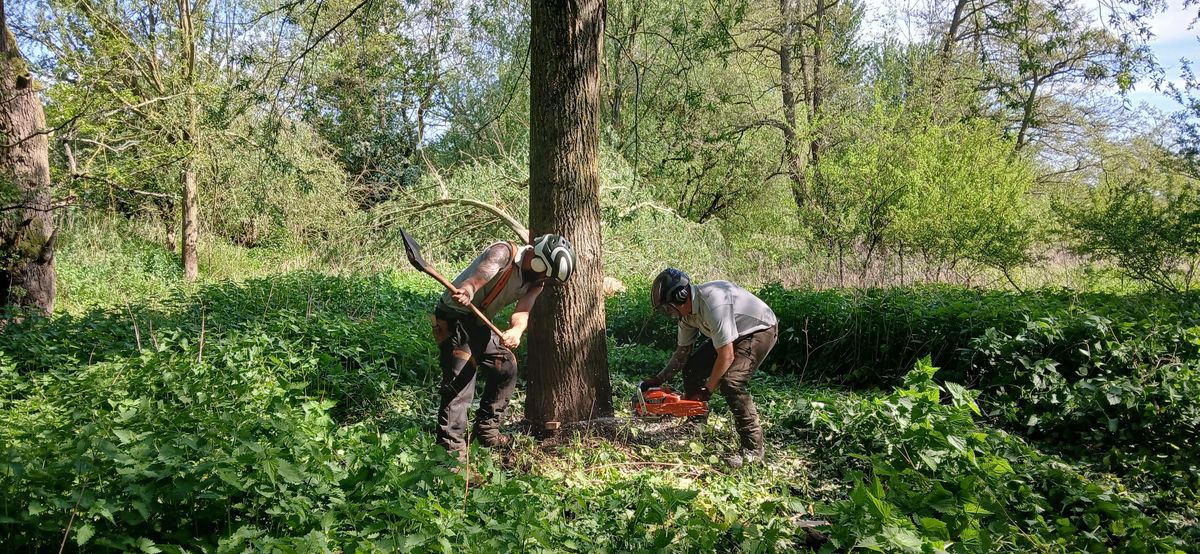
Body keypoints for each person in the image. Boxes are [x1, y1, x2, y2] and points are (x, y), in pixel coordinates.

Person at [432, 234, 575, 460]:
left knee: (506, 365)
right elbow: (481, 274)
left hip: (478, 324)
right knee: (461, 382)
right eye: (546, 275)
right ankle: (450, 454)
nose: (545, 281)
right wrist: (468, 290)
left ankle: (486, 432)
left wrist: (517, 331)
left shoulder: (536, 281)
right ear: (538, 261)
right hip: (455, 319)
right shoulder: (503, 252)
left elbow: (522, 311)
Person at [640, 268, 778, 468]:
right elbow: (682, 354)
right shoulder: (686, 316)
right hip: (732, 335)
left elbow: (727, 355)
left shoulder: (714, 303)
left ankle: (753, 450)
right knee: (692, 368)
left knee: (732, 382)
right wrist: (658, 379)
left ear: (681, 296)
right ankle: (696, 424)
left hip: (759, 329)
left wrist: (706, 391)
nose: (668, 313)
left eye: (668, 308)